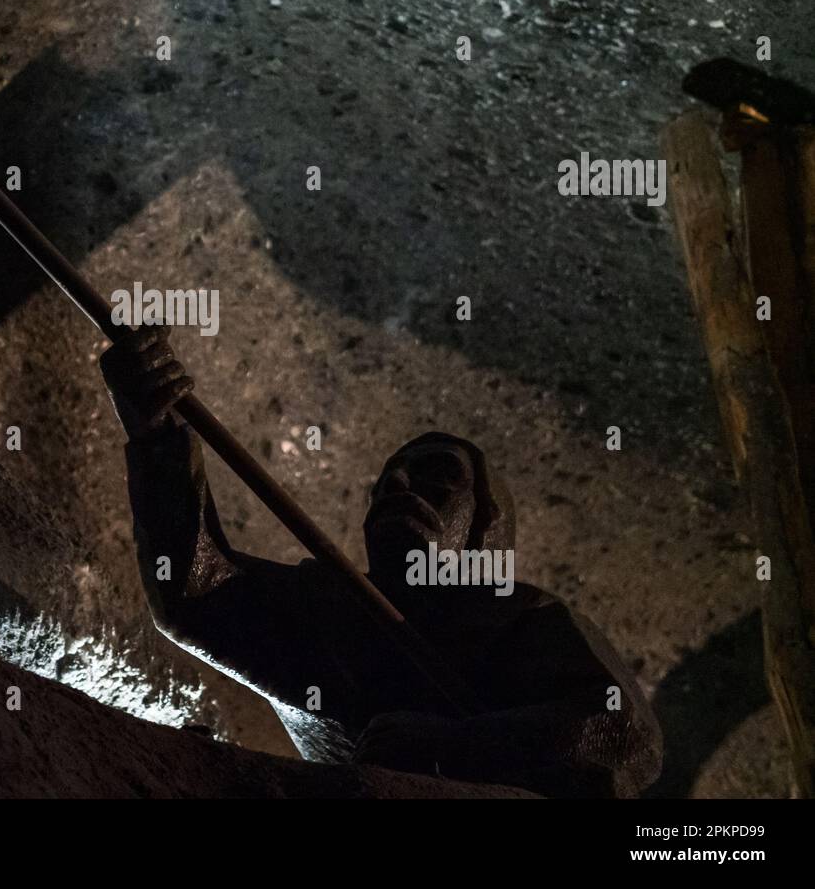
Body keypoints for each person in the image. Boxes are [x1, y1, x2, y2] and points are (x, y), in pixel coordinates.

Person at [100, 326, 663, 798]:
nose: (398, 485)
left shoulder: (523, 618)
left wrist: (448, 747)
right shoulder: (329, 611)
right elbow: (199, 596)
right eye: (387, 482)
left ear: (485, 522)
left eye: (437, 477)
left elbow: (621, 733)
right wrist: (156, 434)